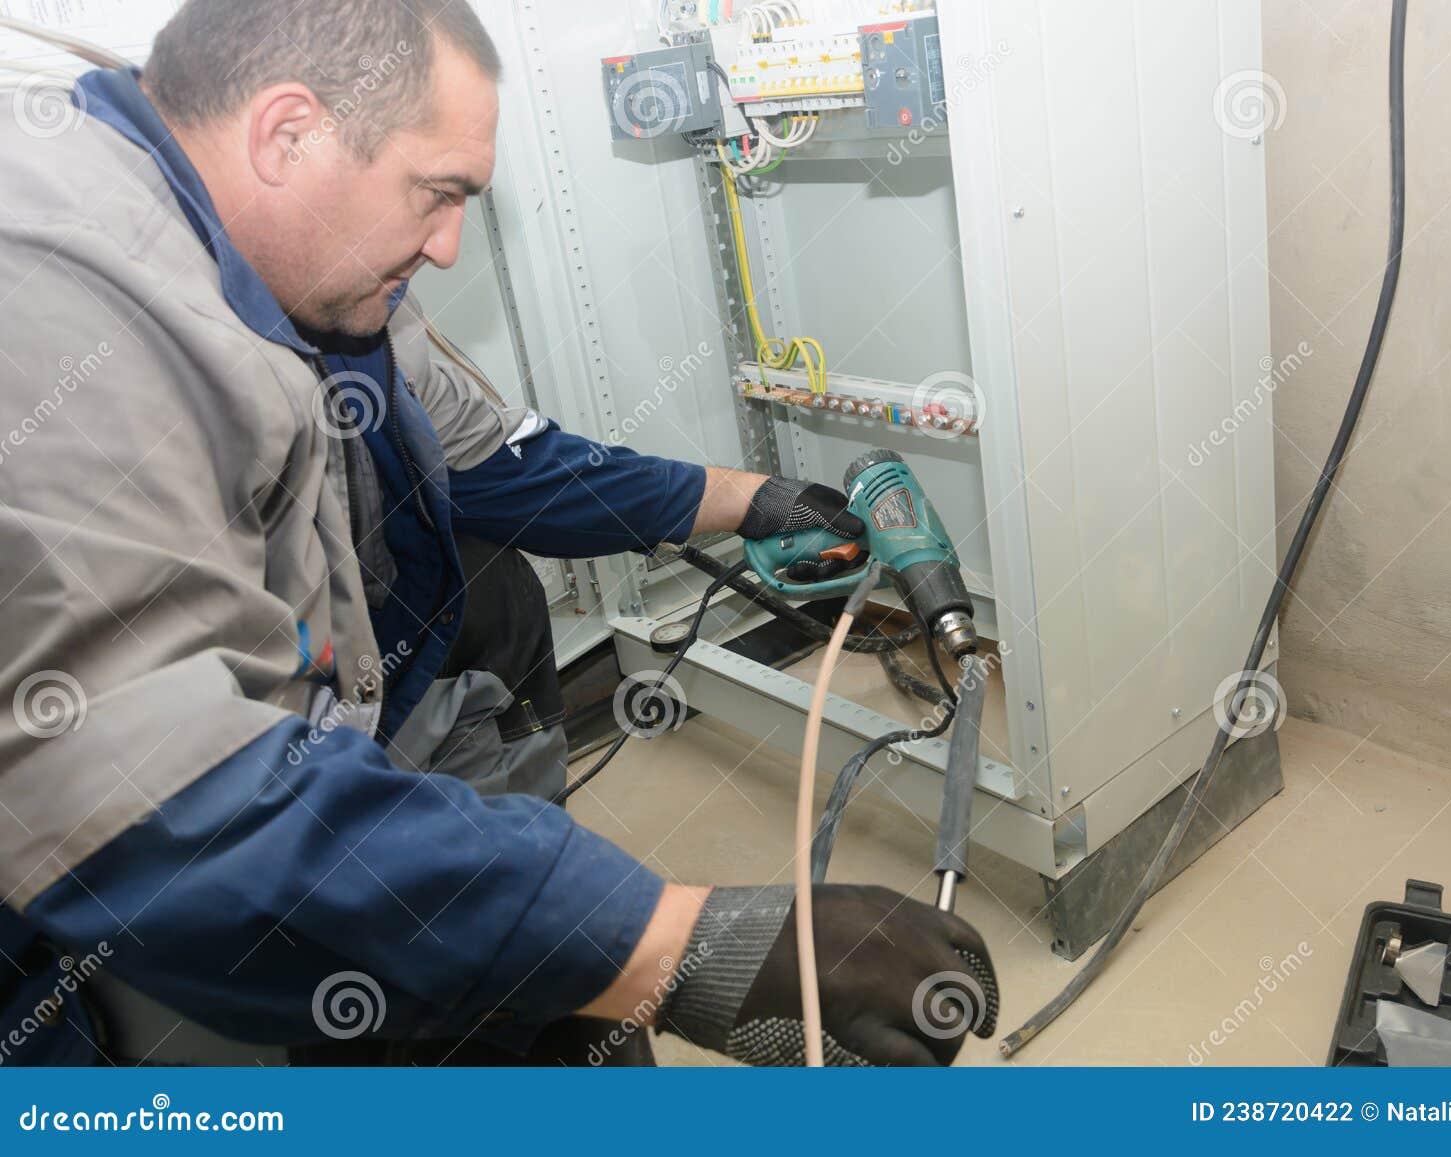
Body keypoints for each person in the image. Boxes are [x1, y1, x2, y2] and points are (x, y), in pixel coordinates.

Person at [0, 0, 997, 1066]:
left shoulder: (316, 274)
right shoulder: (58, 298)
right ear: (287, 135)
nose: (448, 246)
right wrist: (685, 944)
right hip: (74, 923)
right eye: (438, 194)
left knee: (497, 603)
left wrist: (747, 499)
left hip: (277, 746)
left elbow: (496, 463)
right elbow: (162, 802)